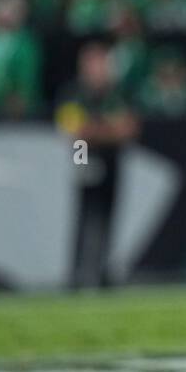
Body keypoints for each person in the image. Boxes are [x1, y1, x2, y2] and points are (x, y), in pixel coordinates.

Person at [55, 40, 139, 289]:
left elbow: (129, 129)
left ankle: (102, 272)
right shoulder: (74, 93)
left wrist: (95, 130)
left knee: (109, 218)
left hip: (112, 163)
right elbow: (74, 130)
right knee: (84, 217)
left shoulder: (117, 93)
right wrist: (108, 129)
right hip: (85, 161)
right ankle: (78, 274)